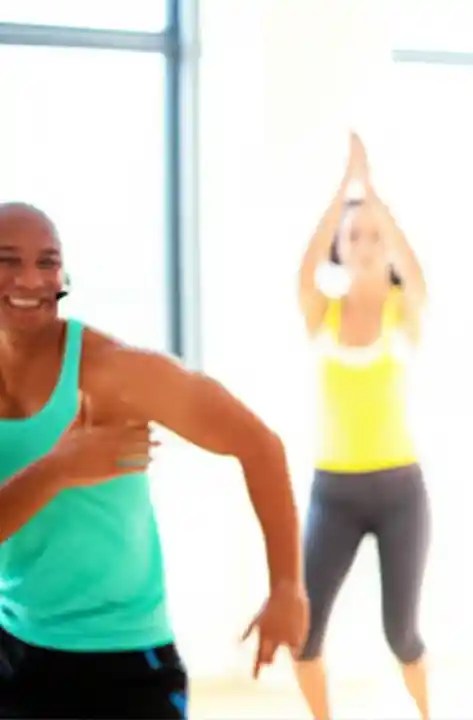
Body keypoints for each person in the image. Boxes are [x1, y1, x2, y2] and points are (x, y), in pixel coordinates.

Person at [0, 202, 308, 719]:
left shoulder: (115, 373)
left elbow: (259, 444)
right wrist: (60, 468)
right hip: (16, 653)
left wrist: (286, 587)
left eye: (47, 261)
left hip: (124, 664)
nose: (30, 278)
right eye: (8, 260)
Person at [292, 133, 430, 720]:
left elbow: (414, 271)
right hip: (335, 492)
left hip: (401, 492)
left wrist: (374, 197)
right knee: (305, 632)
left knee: (402, 635)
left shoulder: (405, 312)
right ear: (339, 248)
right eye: (355, 236)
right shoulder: (320, 314)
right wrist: (342, 195)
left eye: (375, 235)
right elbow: (304, 266)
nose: (367, 243)